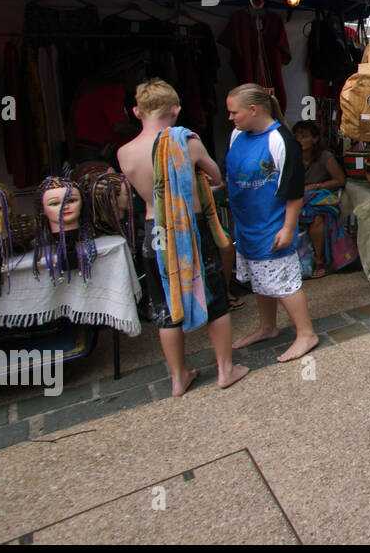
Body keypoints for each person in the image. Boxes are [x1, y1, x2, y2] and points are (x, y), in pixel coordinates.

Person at [117, 78, 248, 395]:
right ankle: (225, 370)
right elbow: (217, 178)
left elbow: (129, 198)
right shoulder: (187, 142)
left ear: (137, 111)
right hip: (192, 228)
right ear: (175, 109)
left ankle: (178, 378)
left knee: (164, 307)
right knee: (215, 299)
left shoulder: (125, 152)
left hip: (154, 232)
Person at [224, 83, 319, 362]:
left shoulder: (281, 140)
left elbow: (294, 190)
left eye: (234, 112)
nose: (230, 118)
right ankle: (268, 326)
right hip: (246, 223)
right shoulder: (236, 135)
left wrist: (288, 227)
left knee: (283, 282)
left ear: (253, 110)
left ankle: (306, 333)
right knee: (259, 278)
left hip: (271, 223)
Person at [292, 119, 349, 278]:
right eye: (296, 137)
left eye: (304, 136)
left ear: (315, 139)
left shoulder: (325, 157)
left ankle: (319, 261)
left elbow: (340, 180)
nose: (299, 140)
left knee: (316, 218)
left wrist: (315, 187)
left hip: (318, 197)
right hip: (297, 198)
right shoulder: (290, 156)